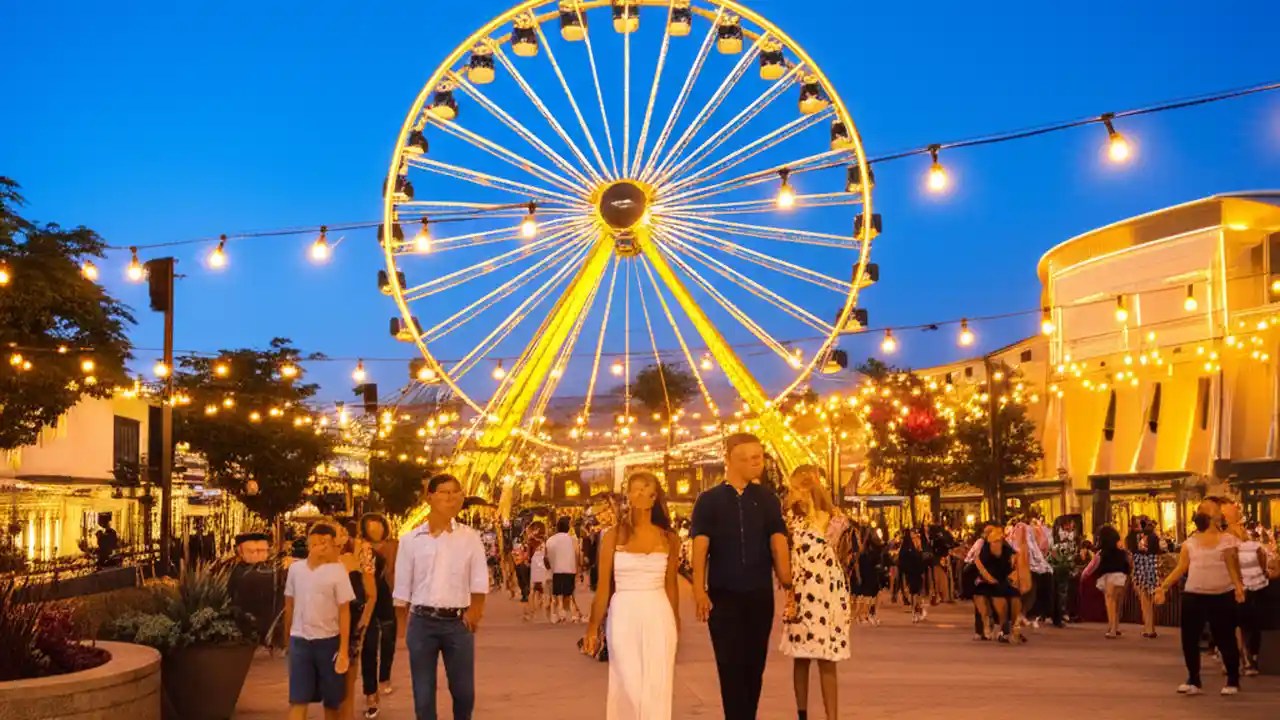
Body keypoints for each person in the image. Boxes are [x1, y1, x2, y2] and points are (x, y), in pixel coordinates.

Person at [690, 433, 793, 720]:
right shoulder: (709, 501)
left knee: (754, 664)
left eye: (758, 457)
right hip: (723, 595)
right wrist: (699, 590)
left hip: (760, 594)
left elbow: (778, 540)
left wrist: (788, 580)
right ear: (728, 461)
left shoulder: (767, 499)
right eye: (746, 459)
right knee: (729, 664)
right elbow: (700, 547)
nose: (754, 463)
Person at [583, 472, 680, 719]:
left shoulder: (669, 538)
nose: (637, 494)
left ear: (654, 497)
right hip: (623, 612)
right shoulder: (614, 536)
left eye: (644, 489)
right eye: (633, 489)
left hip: (659, 613)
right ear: (627, 495)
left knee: (656, 685)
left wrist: (677, 625)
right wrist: (592, 628)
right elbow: (603, 586)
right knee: (627, 681)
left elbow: (671, 586)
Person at [394, 474, 489, 720]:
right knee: (424, 695)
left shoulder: (470, 538)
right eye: (445, 492)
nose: (452, 497)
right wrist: (402, 631)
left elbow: (479, 578)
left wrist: (475, 610)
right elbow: (402, 589)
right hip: (422, 622)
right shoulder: (411, 541)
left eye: (456, 492)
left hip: (457, 623)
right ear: (430, 498)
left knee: (464, 692)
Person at [1154, 500, 1246, 696]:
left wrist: (1238, 587)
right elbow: (1181, 568)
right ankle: (1193, 679)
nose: (1200, 512)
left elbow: (1232, 567)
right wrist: (1163, 586)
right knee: (1189, 639)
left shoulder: (1227, 540)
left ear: (1216, 516)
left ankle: (1232, 679)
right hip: (1194, 594)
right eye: (1199, 510)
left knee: (1225, 638)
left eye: (1205, 509)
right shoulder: (1190, 543)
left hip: (1221, 595)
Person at [780, 466, 850, 720]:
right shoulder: (791, 519)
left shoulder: (832, 518)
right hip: (802, 590)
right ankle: (802, 714)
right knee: (800, 656)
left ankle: (832, 716)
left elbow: (836, 542)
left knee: (827, 657)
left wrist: (813, 491)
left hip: (827, 590)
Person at [284, 523, 355, 720]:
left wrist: (343, 649)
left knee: (332, 702)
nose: (319, 546)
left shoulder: (338, 571)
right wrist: (287, 639)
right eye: (314, 542)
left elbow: (344, 611)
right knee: (298, 699)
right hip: (300, 640)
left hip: (328, 641)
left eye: (324, 542)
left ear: (333, 544)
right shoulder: (296, 570)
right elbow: (289, 604)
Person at [359, 513, 398, 718]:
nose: (375, 531)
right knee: (368, 645)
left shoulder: (393, 546)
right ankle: (370, 693)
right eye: (370, 528)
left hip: (386, 595)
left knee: (389, 639)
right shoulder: (360, 547)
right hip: (366, 596)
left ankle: (385, 676)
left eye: (378, 527)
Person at [973, 525, 1024, 644]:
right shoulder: (983, 546)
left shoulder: (1006, 548)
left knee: (1015, 595)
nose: (997, 541)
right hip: (985, 579)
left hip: (1001, 579)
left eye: (999, 539)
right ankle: (984, 628)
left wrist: (1015, 570)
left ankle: (1011, 626)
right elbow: (977, 562)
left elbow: (1015, 557)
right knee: (981, 594)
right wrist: (987, 577)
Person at [1238, 523, 1275, 676]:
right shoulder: (1257, 549)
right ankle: (1250, 657)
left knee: (1247, 626)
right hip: (1251, 590)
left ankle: (1248, 658)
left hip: (1247, 590)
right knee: (1250, 626)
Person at [1090, 524, 1130, 639]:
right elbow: (1127, 564)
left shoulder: (1104, 552)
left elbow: (1099, 566)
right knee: (1117, 603)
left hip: (1109, 577)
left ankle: (1111, 628)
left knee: (1110, 602)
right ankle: (1116, 627)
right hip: (1121, 576)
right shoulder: (1121, 551)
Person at [1126, 517, 1162, 639]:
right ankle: (1150, 627)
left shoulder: (1133, 537)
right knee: (1149, 599)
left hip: (1140, 566)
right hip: (1151, 566)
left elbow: (1132, 551)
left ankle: (1148, 627)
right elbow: (1157, 551)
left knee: (1144, 599)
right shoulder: (1153, 536)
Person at [546, 516, 582, 623]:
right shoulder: (573, 540)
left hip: (556, 570)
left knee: (558, 594)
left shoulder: (550, 540)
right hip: (570, 569)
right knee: (569, 594)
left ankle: (558, 614)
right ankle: (573, 615)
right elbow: (577, 555)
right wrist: (578, 569)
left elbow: (546, 557)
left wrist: (550, 568)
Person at [525, 521, 549, 622]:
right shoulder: (545, 539)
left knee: (533, 590)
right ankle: (544, 612)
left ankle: (532, 612)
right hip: (543, 564)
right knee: (544, 589)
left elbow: (529, 555)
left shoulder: (531, 540)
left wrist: (528, 561)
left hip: (535, 565)